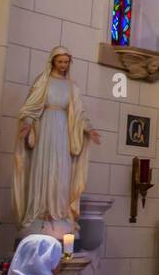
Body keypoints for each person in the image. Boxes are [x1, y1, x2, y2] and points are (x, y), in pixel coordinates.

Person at [12, 46, 102, 232]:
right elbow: (31, 107)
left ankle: (59, 212)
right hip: (45, 128)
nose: (63, 65)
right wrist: (27, 124)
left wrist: (89, 129)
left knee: (61, 171)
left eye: (66, 62)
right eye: (60, 61)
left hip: (63, 130)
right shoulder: (43, 82)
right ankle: (40, 211)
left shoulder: (72, 86)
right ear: (52, 61)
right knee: (43, 168)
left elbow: (79, 113)